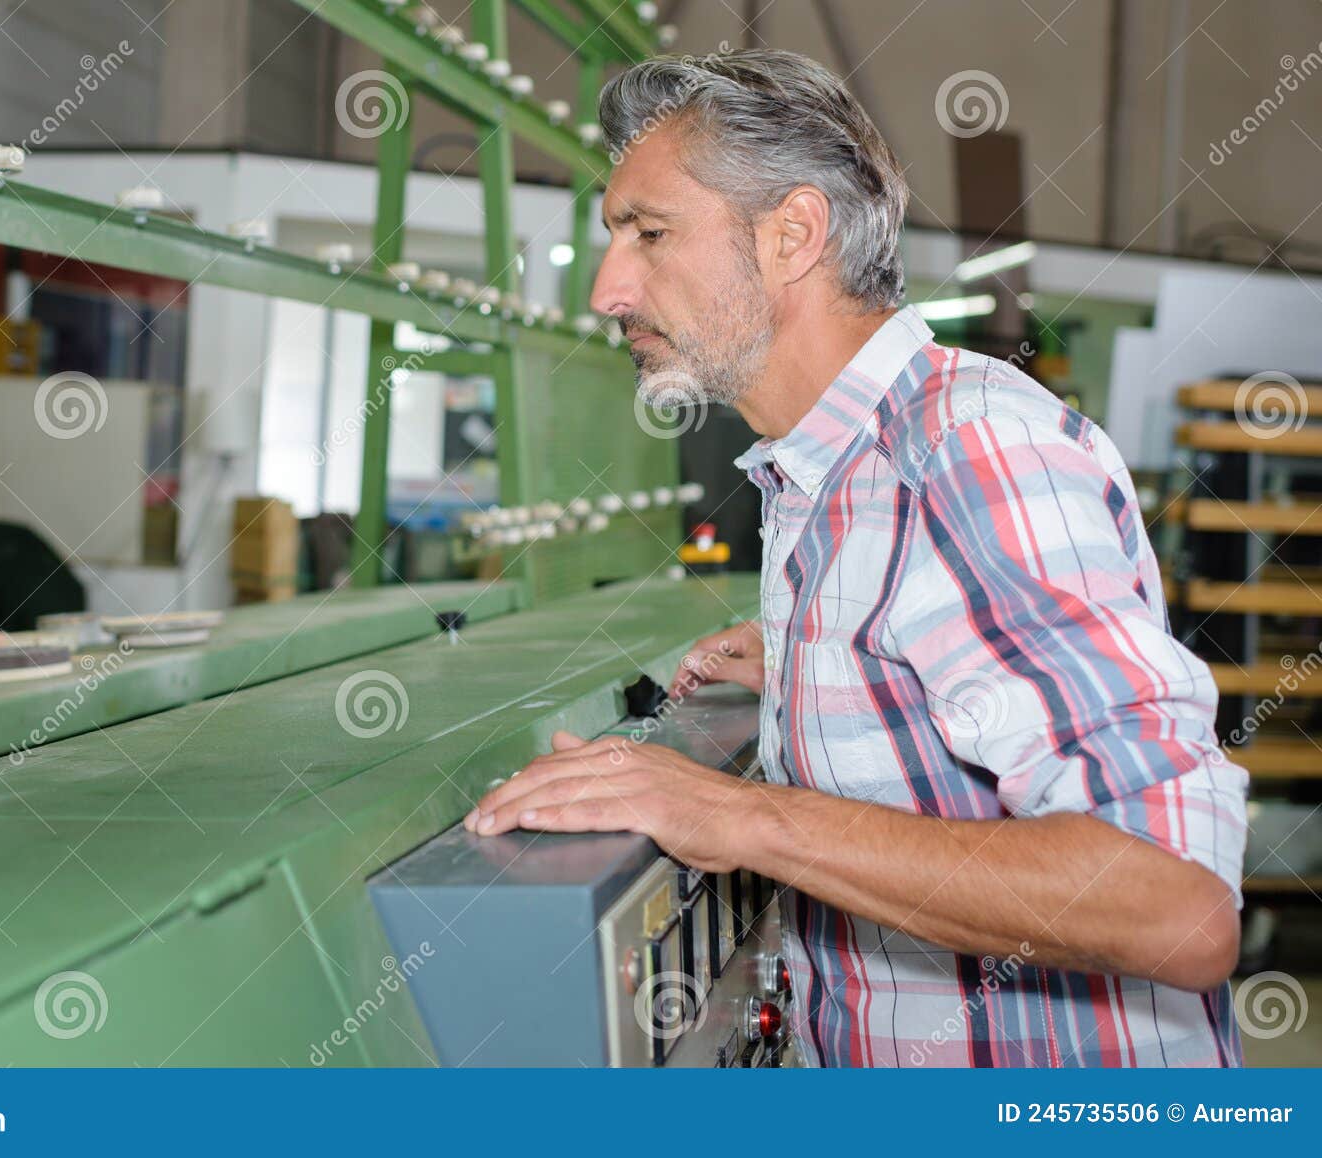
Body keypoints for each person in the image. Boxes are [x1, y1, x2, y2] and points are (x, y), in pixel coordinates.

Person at [466, 50, 1248, 1067]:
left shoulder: (966, 453)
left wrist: (741, 816)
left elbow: (1171, 904)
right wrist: (829, 656)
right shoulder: (822, 479)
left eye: (649, 234)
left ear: (792, 234)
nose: (611, 289)